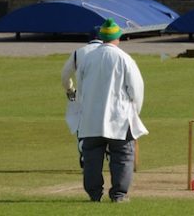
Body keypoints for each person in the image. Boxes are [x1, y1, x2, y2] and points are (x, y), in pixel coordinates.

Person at [76, 18, 148, 203]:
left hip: (91, 119)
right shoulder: (124, 58)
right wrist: (135, 113)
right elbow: (136, 89)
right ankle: (118, 194)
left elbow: (81, 88)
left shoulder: (87, 57)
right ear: (118, 38)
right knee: (123, 157)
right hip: (119, 118)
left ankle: (94, 194)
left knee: (91, 158)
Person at [61, 26, 103, 164]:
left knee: (83, 127)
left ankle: (85, 154)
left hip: (84, 97)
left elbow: (65, 76)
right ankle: (111, 153)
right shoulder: (113, 52)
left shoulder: (78, 52)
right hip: (107, 96)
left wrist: (70, 90)